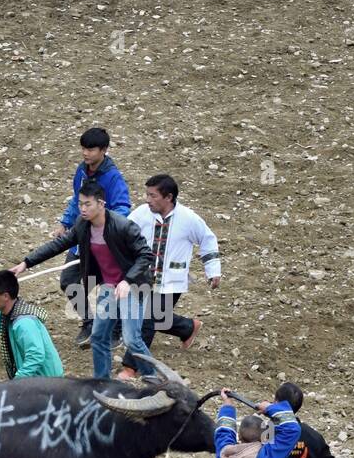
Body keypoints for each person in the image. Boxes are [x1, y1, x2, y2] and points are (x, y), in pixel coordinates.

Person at [13, 180, 155, 380]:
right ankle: (101, 382)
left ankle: (156, 380)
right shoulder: (83, 225)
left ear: (101, 203)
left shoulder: (123, 226)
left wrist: (127, 281)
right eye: (80, 204)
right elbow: (59, 244)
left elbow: (145, 256)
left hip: (133, 287)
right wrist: (26, 263)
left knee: (132, 340)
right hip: (109, 288)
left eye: (87, 204)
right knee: (98, 336)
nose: (83, 209)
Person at [119, 174, 222, 379]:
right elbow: (122, 233)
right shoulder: (141, 214)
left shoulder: (188, 219)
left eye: (153, 195)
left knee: (146, 321)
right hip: (143, 278)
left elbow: (207, 240)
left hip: (171, 282)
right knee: (156, 318)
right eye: (147, 195)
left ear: (169, 197)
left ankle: (131, 367)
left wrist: (213, 271)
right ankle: (188, 327)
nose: (148, 199)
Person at [55, 127, 131, 348]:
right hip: (82, 241)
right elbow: (75, 200)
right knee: (69, 280)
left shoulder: (113, 177)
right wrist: (66, 223)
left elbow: (123, 207)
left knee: (111, 286)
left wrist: (106, 228)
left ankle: (116, 330)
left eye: (90, 149)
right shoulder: (81, 171)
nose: (85, 153)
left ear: (104, 150)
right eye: (83, 148)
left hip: (106, 243)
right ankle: (89, 321)